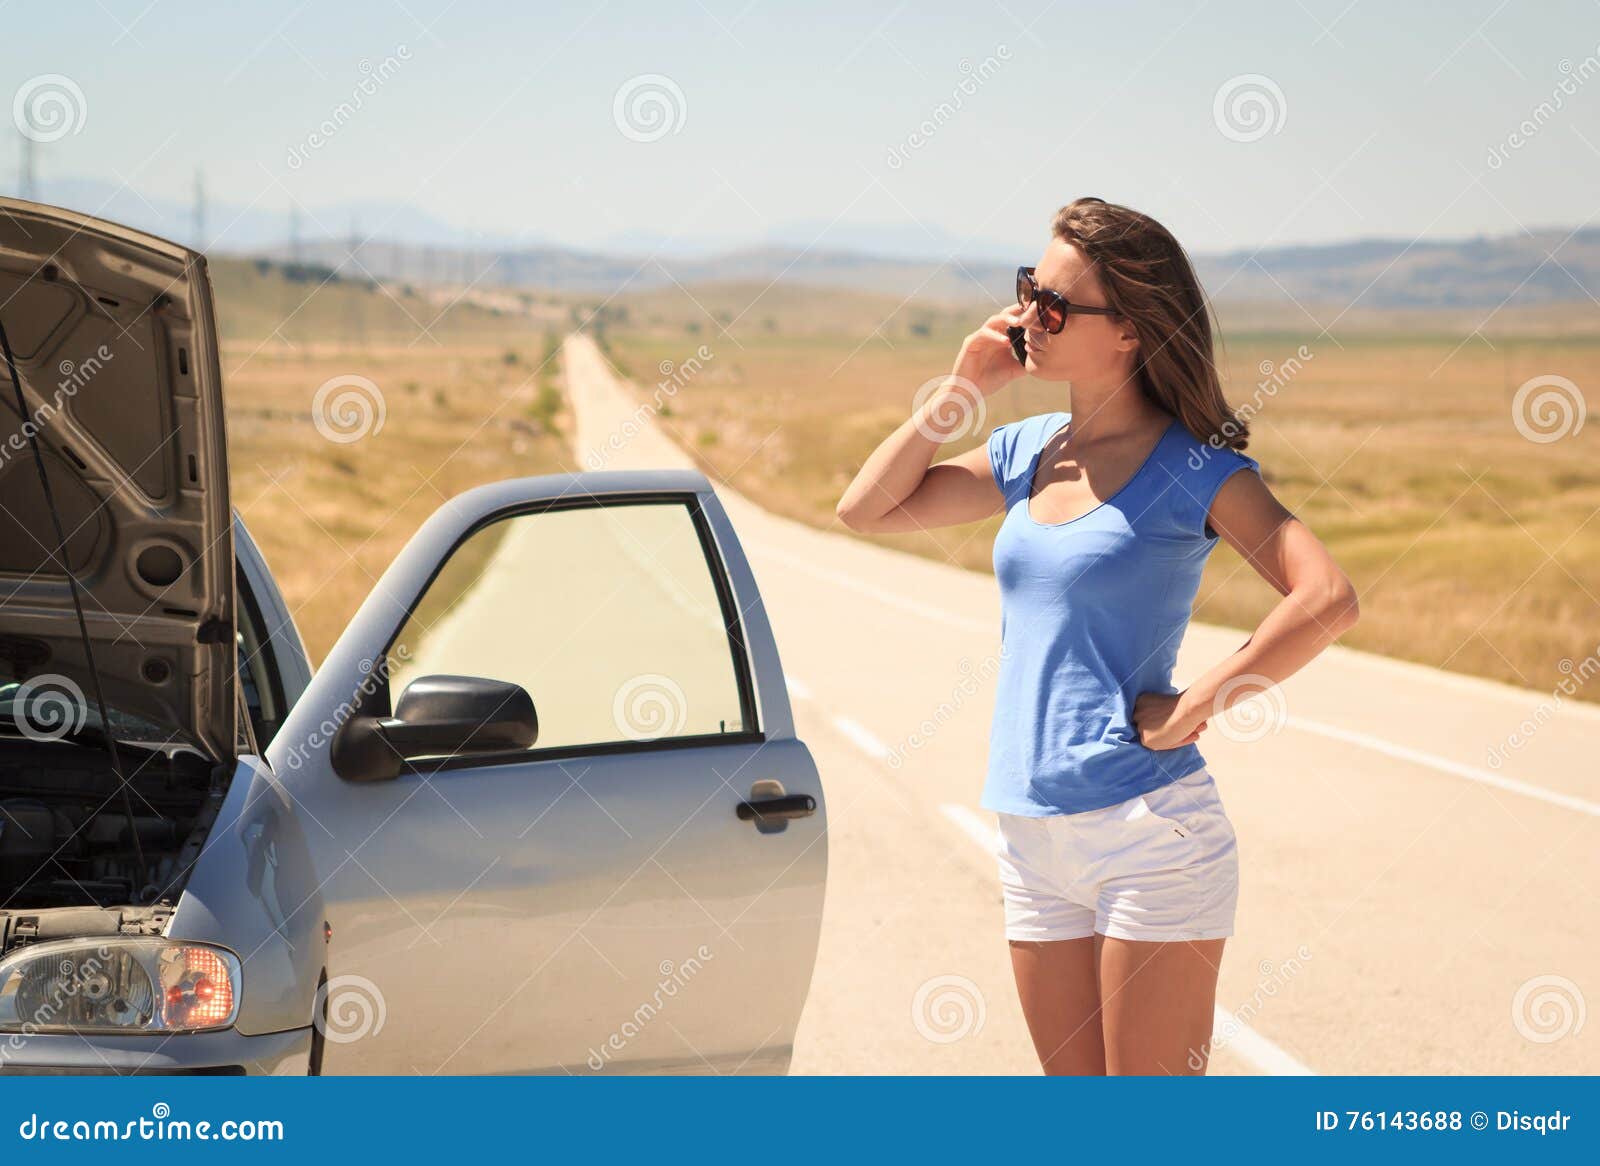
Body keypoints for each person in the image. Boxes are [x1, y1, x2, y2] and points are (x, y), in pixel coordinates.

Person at [835, 196, 1360, 1075]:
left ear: (1129, 331)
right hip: (1033, 833)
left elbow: (1328, 595)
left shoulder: (1194, 466)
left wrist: (1197, 704)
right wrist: (964, 385)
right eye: (1026, 292)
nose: (1028, 319)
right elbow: (866, 509)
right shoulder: (1030, 451)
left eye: (1055, 305)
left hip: (1149, 832)